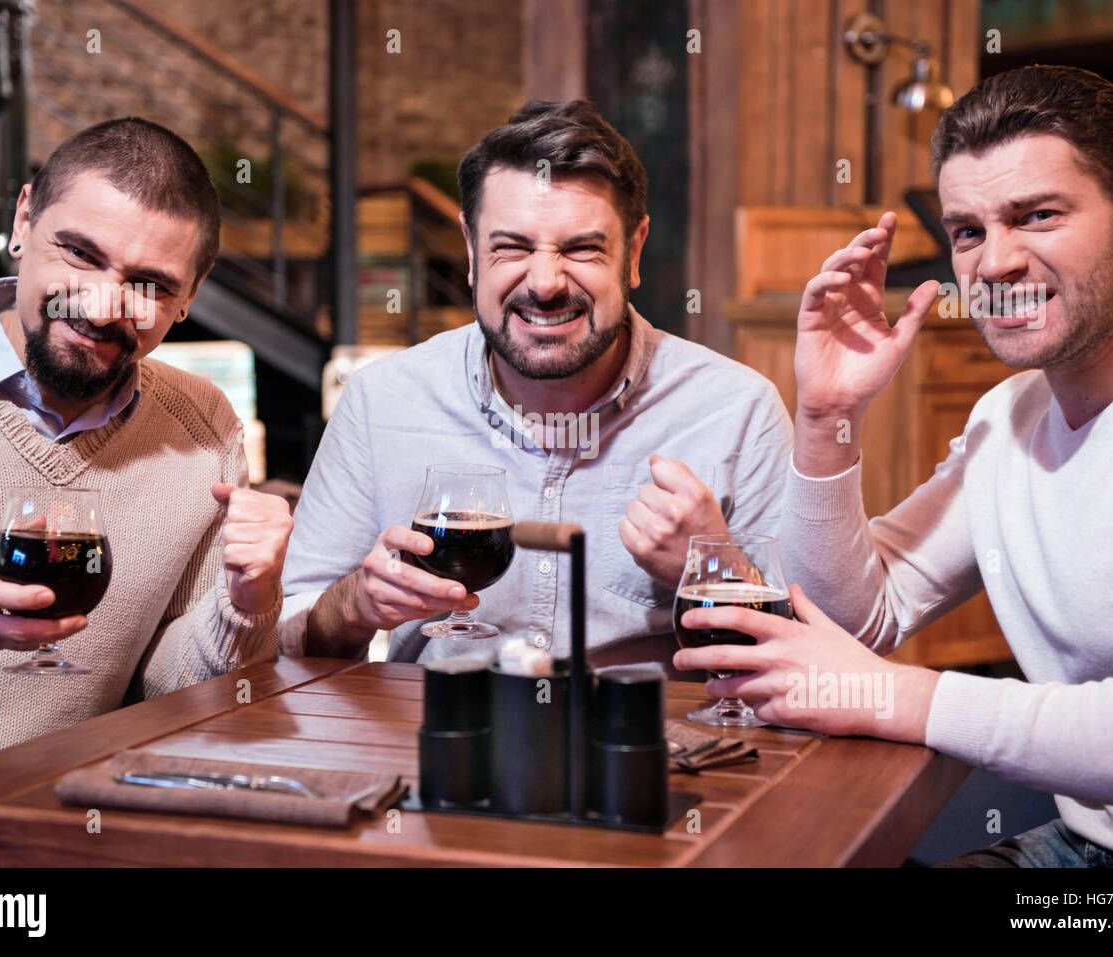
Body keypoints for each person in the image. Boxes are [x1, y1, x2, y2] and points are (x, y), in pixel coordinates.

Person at [674, 65, 1113, 866]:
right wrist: (826, 418)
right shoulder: (1008, 418)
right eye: (969, 231)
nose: (996, 263)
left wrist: (895, 695)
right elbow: (858, 618)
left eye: (1038, 215)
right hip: (1090, 848)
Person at [280, 100, 793, 663]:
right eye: (512, 247)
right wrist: (356, 604)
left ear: (635, 251)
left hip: (650, 743)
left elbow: (808, 652)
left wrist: (711, 569)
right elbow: (288, 626)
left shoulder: (738, 410)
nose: (545, 283)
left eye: (582, 249)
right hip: (438, 737)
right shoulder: (382, 400)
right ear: (473, 252)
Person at [0, 117, 293, 783]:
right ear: (24, 220)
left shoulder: (203, 425)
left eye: (152, 285)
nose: (104, 304)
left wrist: (248, 604)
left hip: (79, 822)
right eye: (79, 253)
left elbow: (175, 689)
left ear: (191, 294)